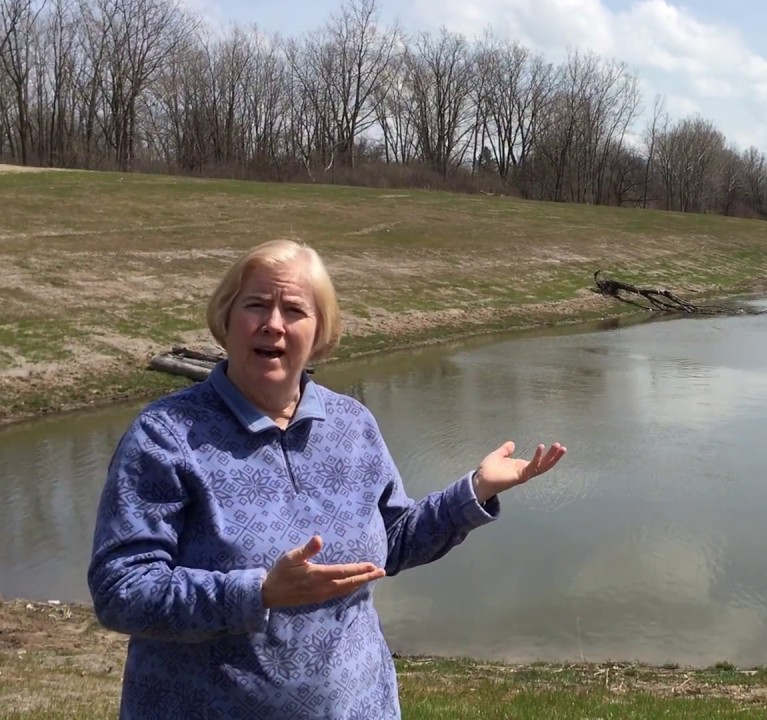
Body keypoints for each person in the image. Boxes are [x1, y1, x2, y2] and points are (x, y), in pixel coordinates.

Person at [87, 238, 566, 719]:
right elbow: (120, 590)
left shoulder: (352, 424)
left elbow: (391, 544)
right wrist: (257, 593)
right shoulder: (165, 435)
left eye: (294, 310)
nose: (273, 323)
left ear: (320, 332)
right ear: (226, 319)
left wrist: (476, 490)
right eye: (256, 305)